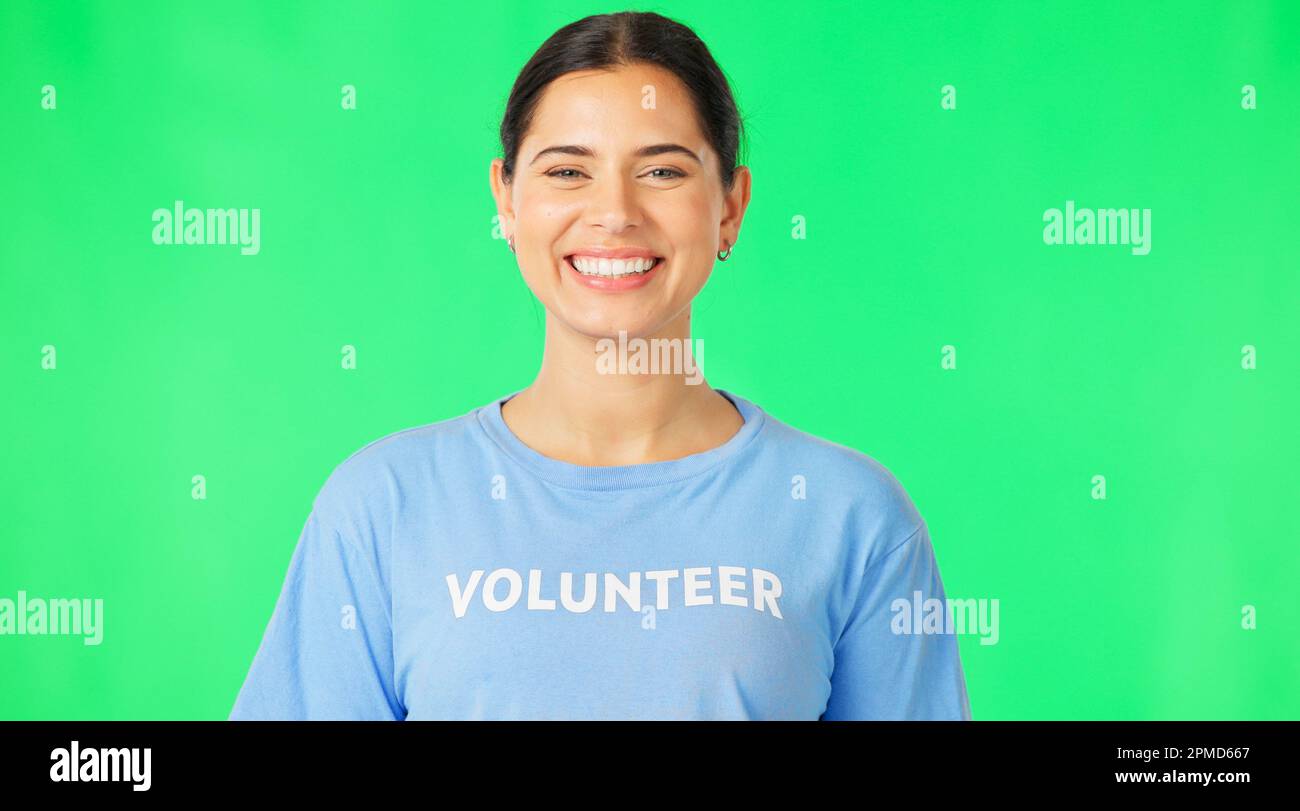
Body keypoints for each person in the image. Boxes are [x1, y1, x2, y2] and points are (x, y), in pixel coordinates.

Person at [229, 10, 972, 721]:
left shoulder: (855, 518)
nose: (614, 212)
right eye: (566, 172)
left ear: (730, 207)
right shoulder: (380, 508)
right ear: (507, 201)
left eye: (662, 171)